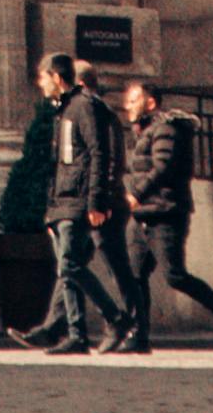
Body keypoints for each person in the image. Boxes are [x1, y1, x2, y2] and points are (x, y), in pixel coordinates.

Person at [116, 74, 213, 355]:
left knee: (174, 275)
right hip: (143, 215)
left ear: (150, 102)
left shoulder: (166, 129)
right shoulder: (144, 131)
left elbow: (162, 167)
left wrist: (134, 194)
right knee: (134, 275)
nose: (127, 106)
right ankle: (139, 336)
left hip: (166, 212)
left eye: (133, 100)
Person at [22, 53, 132, 356]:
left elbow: (99, 153)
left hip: (78, 201)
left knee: (70, 265)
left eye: (43, 77)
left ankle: (115, 318)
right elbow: (62, 163)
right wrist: (51, 208)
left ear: (57, 78)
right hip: (63, 202)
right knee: (67, 268)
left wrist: (96, 201)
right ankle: (77, 335)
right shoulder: (64, 110)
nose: (40, 84)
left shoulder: (83, 107)